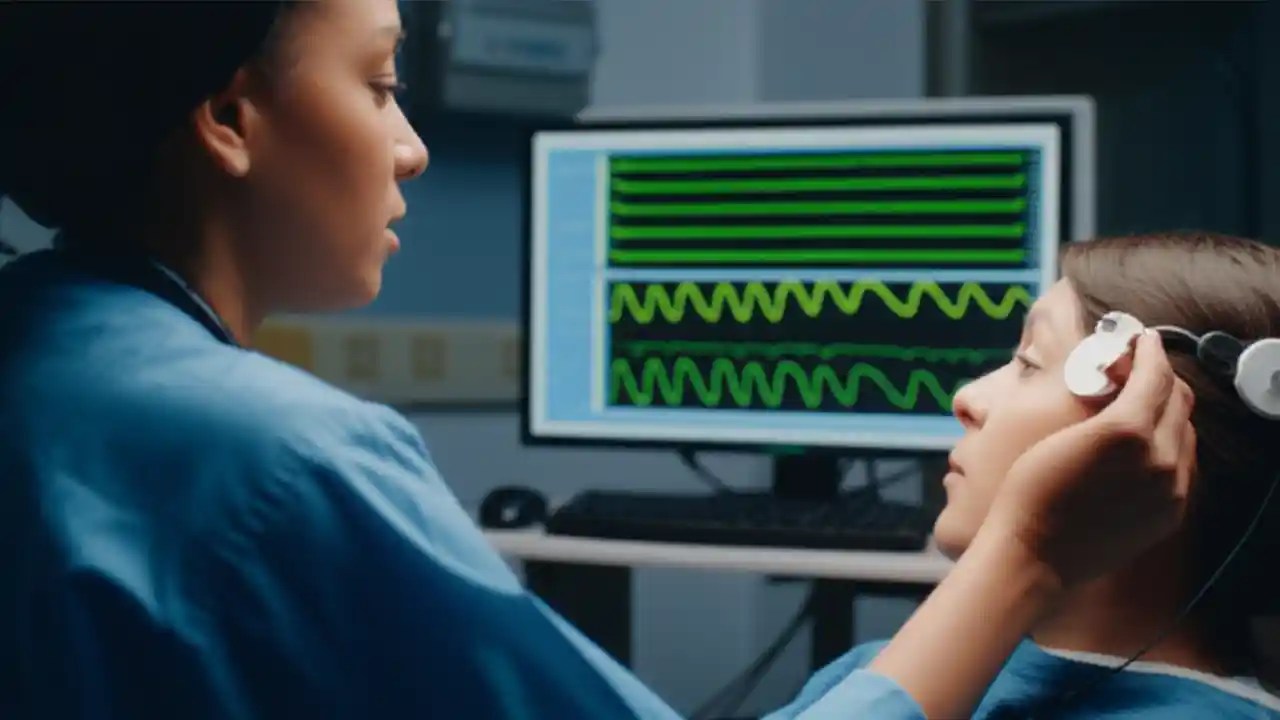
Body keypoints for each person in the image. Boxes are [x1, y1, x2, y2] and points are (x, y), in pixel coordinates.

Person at [0, 2, 1196, 718]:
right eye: (378, 84)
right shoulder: (281, 460)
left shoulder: (46, 359)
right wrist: (1026, 556)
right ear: (226, 118)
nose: (410, 148)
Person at [769, 231, 1280, 719]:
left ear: (1151, 434)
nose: (966, 398)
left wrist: (1026, 548)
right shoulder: (883, 670)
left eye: (1029, 362)